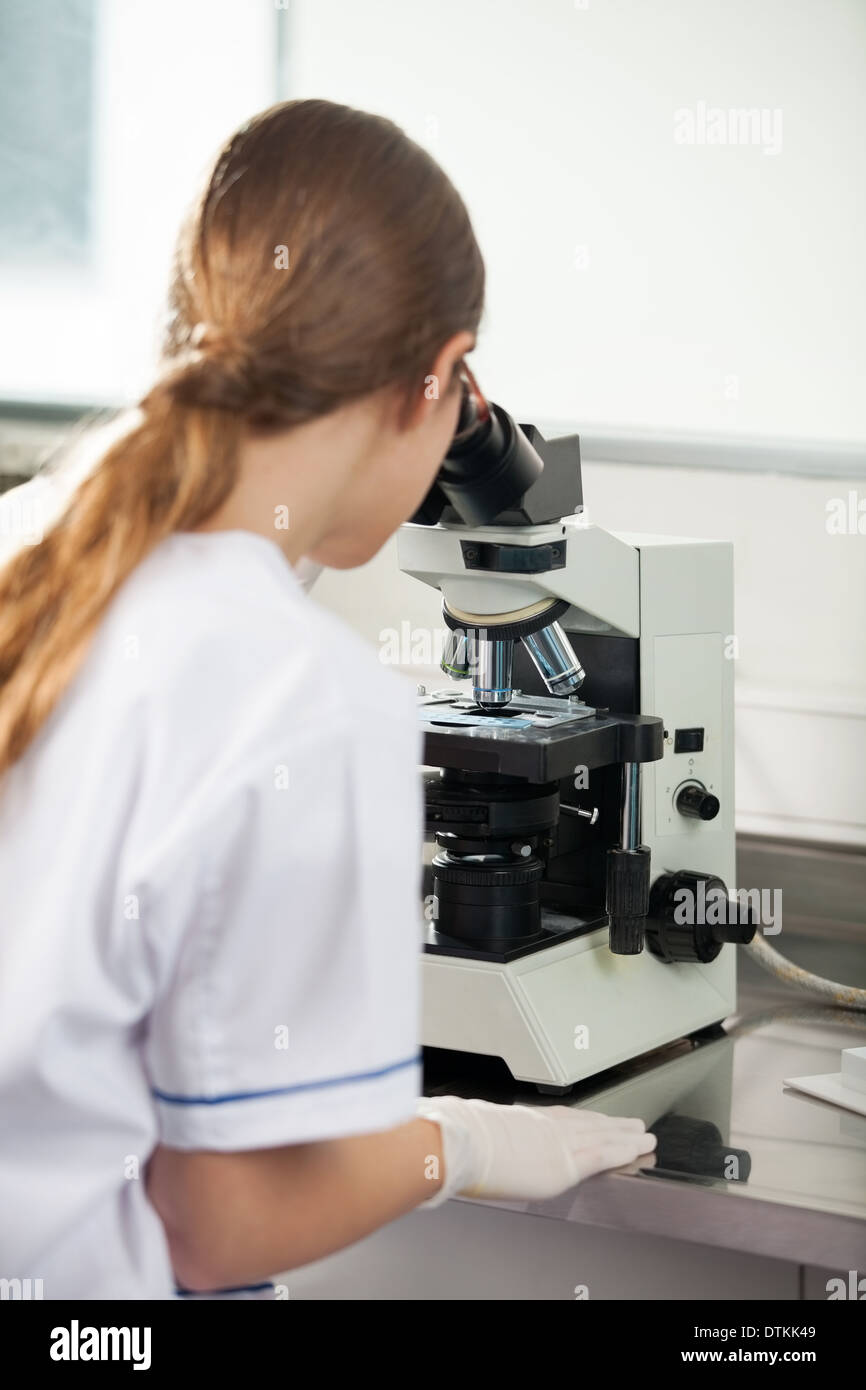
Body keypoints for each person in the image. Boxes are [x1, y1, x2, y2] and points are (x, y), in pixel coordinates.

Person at [0, 99, 655, 1300]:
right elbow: (218, 1224)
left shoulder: (29, 547)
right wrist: (453, 1145)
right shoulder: (296, 696)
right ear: (441, 378)